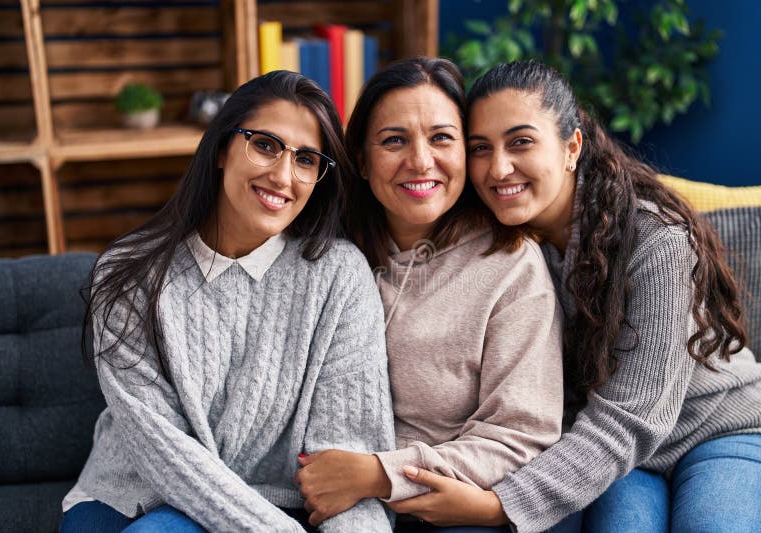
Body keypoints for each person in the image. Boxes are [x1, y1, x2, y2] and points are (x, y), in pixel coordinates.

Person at [391, 59, 761, 533]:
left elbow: (631, 419)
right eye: (481, 148)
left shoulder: (657, 242)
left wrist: (497, 506)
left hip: (714, 429)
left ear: (572, 148)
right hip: (612, 453)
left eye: (521, 142)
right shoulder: (497, 244)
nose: (498, 168)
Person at [59, 70, 396, 533]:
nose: (283, 175)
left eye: (306, 159)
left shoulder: (339, 276)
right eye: (265, 145)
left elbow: (346, 461)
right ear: (222, 148)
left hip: (278, 503)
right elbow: (165, 453)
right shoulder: (130, 273)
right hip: (138, 490)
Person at [294, 57, 572, 533]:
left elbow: (520, 436)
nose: (421, 161)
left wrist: (380, 474)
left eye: (442, 138)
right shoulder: (324, 251)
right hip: (315, 491)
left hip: (448, 506)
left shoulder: (510, 264)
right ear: (361, 159)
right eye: (394, 140)